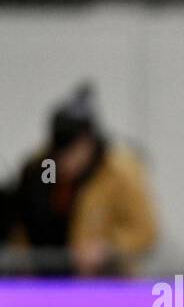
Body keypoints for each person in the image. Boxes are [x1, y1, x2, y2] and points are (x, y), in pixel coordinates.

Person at [6, 83, 157, 276]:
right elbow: (24, 223)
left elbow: (146, 230)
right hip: (43, 280)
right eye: (61, 152)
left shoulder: (120, 171)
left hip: (104, 282)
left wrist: (108, 248)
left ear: (89, 144)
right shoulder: (41, 167)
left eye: (74, 151)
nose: (67, 161)